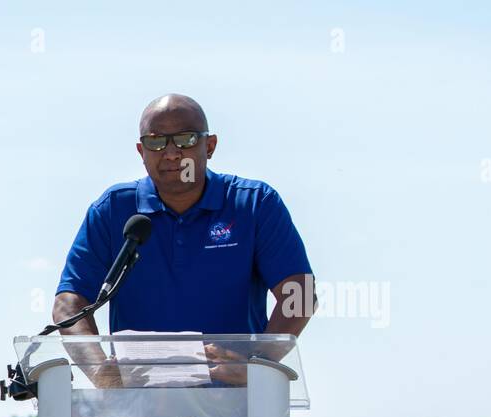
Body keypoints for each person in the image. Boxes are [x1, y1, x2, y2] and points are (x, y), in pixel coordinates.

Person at [54, 93, 314, 382]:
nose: (171, 153)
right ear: (142, 151)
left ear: (210, 145)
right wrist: (101, 374)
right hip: (137, 409)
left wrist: (257, 367)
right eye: (156, 141)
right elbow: (69, 303)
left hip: (237, 407)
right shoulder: (113, 209)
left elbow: (300, 295)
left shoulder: (254, 204)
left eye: (186, 139)